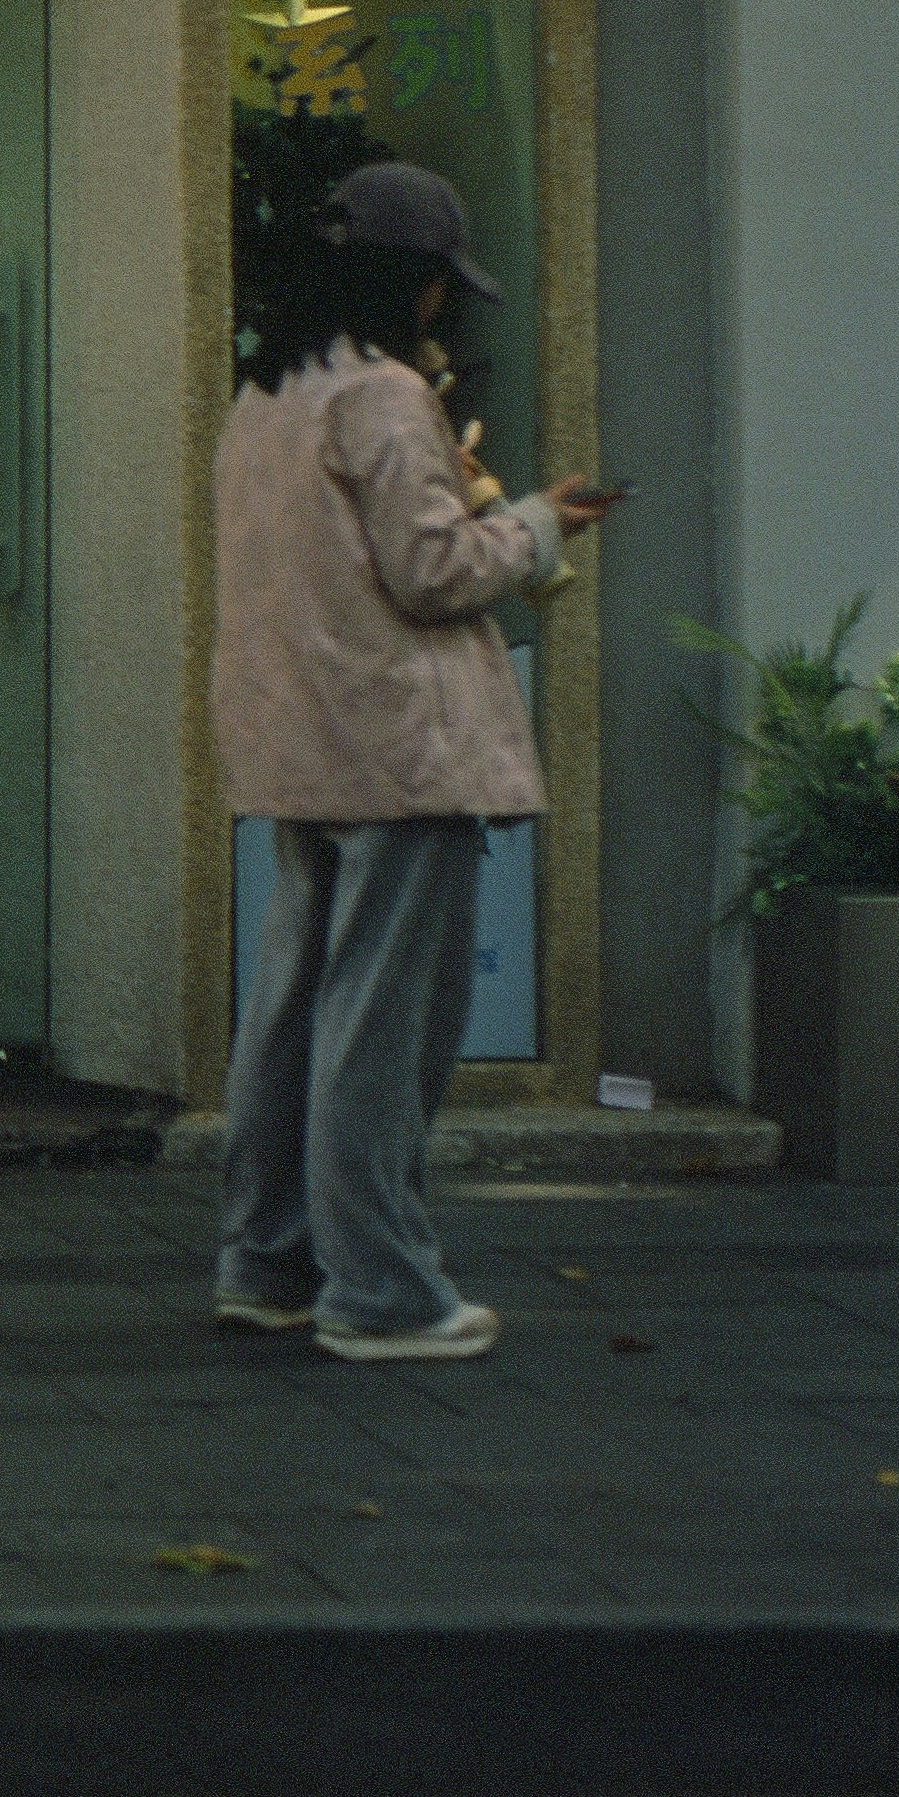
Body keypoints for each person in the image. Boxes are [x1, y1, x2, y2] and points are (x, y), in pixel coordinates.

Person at [213, 159, 621, 1361]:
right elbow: (432, 570)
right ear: (408, 282)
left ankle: (265, 1260)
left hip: (299, 740)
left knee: (286, 1019)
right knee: (379, 1032)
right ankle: (381, 1289)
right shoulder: (383, 394)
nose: (443, 309)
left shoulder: (265, 390)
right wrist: (539, 523)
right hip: (399, 745)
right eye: (439, 285)